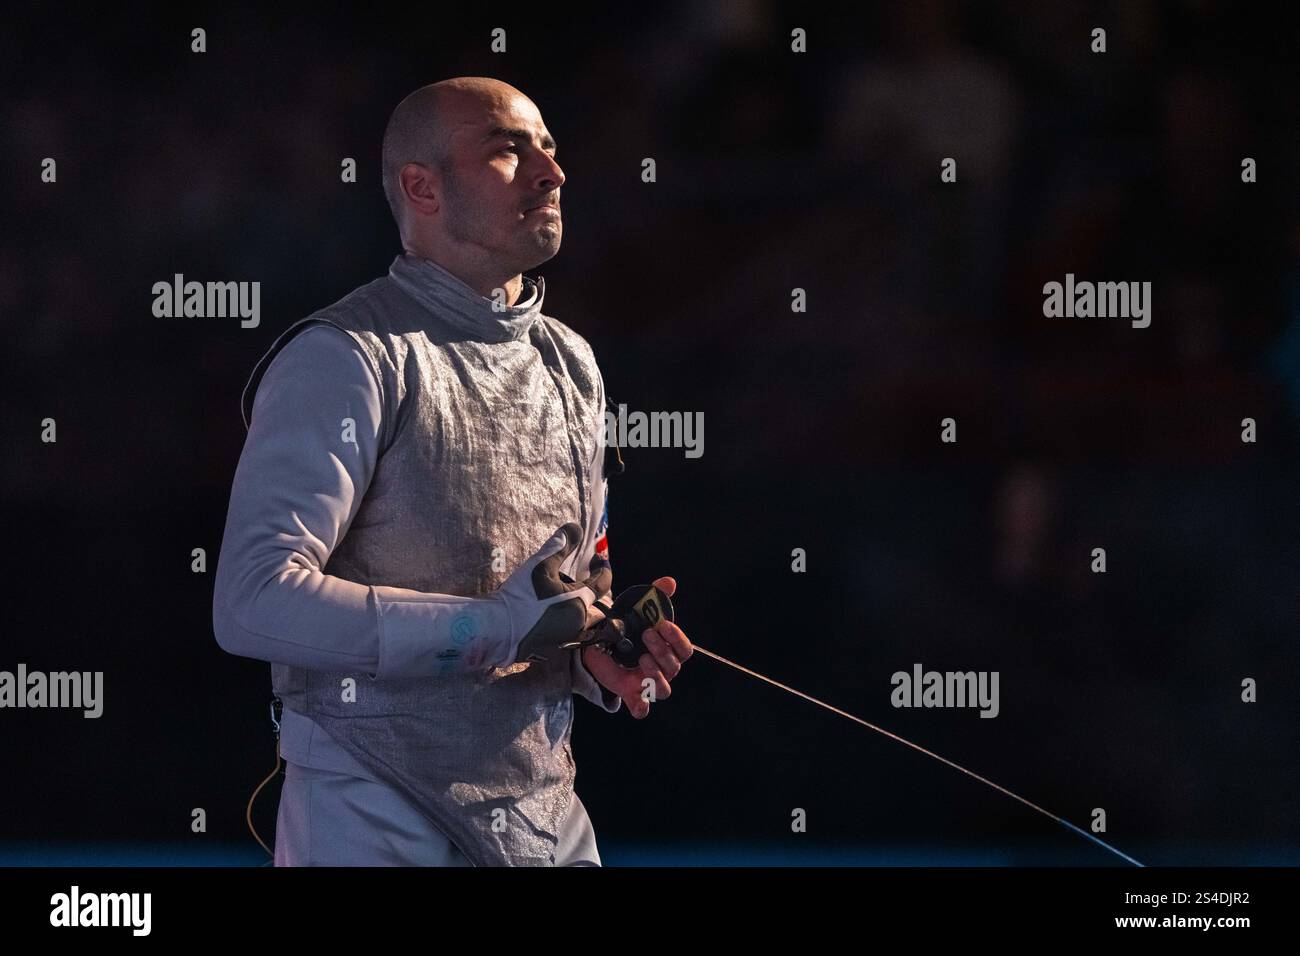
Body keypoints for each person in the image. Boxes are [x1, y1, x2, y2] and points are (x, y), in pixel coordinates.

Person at [212, 77, 693, 866]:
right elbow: (251, 602)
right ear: (420, 187)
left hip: (542, 807)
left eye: (550, 148)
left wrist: (594, 647)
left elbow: (574, 579)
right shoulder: (347, 357)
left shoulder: (569, 362)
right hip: (369, 811)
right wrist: (493, 630)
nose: (551, 172)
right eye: (508, 150)